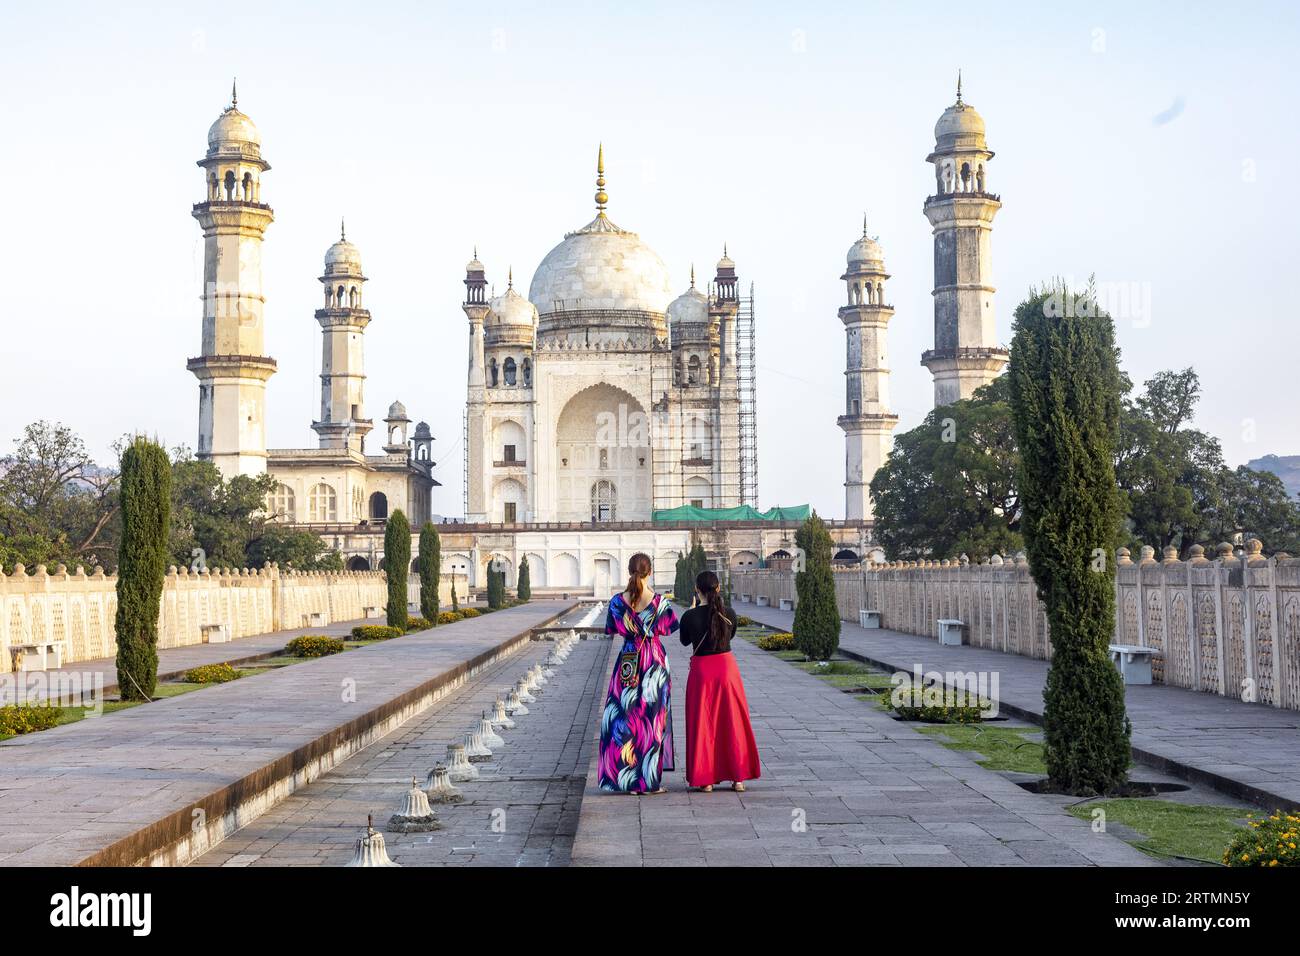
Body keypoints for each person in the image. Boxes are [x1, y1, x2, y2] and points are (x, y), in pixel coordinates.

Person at [598, 553, 679, 794]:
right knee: (651, 722)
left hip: (629, 662)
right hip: (653, 662)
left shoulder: (616, 602)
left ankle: (627, 780)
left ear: (628, 572)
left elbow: (611, 629)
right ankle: (649, 781)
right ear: (649, 571)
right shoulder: (660, 603)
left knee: (625, 720)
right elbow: (669, 628)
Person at [679, 570, 761, 793]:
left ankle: (706, 779)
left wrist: (691, 611)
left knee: (703, 723)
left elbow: (685, 640)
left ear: (697, 590)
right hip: (727, 670)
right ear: (718, 589)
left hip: (702, 672)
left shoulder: (690, 617)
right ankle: (738, 778)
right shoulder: (730, 614)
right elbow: (729, 636)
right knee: (732, 722)